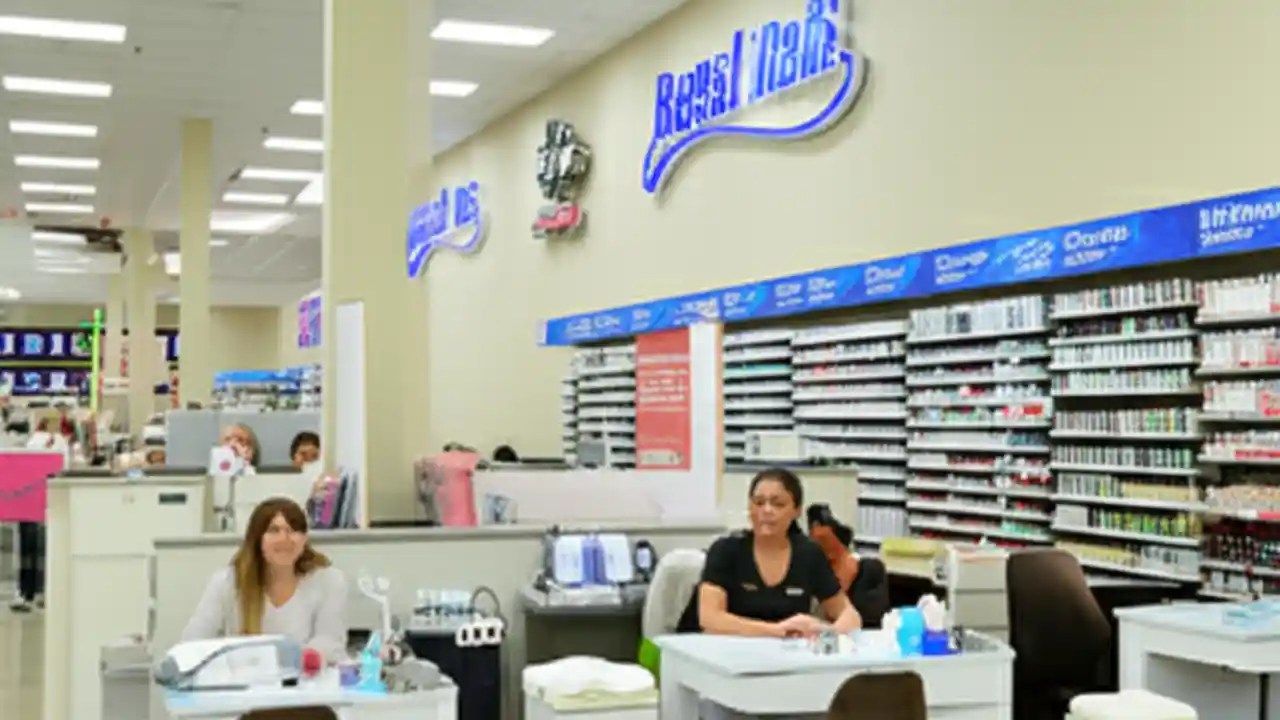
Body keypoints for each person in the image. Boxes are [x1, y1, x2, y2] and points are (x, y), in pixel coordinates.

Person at [698, 467, 860, 638]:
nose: (767, 511)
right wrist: (779, 631)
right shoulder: (726, 550)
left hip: (787, 655)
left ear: (796, 511)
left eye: (778, 504)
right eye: (759, 503)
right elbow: (710, 618)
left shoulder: (809, 554)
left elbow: (849, 615)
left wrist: (826, 632)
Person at [181, 497, 348, 662]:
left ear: (304, 539)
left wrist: (291, 661)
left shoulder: (329, 581)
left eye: (293, 530)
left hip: (306, 682)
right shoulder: (226, 582)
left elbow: (330, 643)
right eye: (274, 530)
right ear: (257, 540)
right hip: (242, 682)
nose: (285, 539)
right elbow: (193, 640)